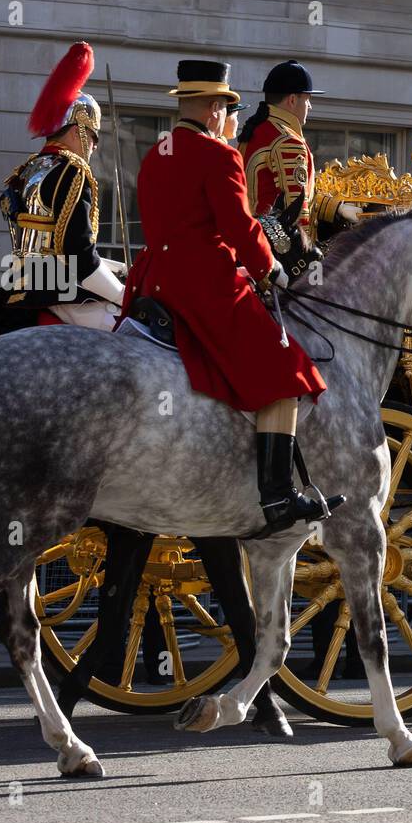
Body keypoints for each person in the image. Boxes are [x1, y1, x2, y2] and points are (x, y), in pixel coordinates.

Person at [124, 59, 343, 534]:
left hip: (153, 281)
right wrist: (270, 268)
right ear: (210, 108)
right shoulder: (216, 155)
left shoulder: (155, 151)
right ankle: (278, 496)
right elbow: (240, 229)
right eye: (225, 105)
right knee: (288, 375)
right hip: (203, 283)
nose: (229, 115)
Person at [0, 42, 125, 333]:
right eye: (93, 135)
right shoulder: (71, 170)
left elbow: (50, 247)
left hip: (19, 287)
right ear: (78, 129)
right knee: (137, 331)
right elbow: (78, 255)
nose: (95, 145)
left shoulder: (27, 170)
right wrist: (123, 295)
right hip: (61, 294)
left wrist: (121, 269)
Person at [236, 60, 360, 238]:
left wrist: (336, 208)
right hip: (277, 252)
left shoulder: (256, 131)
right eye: (308, 100)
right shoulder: (288, 141)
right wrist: (307, 258)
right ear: (292, 100)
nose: (310, 106)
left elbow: (295, 194)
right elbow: (297, 213)